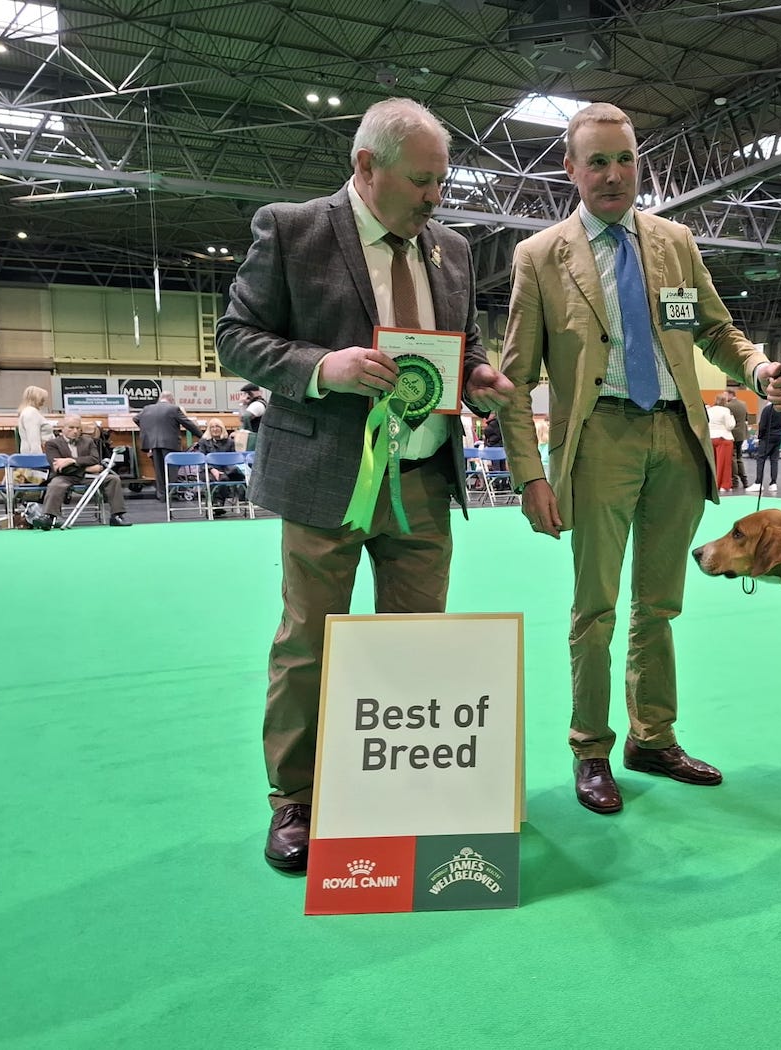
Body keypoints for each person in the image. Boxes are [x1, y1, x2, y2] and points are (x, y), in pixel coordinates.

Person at [215, 97, 513, 873]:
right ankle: (296, 801)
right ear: (365, 167)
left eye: (442, 182)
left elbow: (464, 341)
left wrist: (478, 377)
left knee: (415, 649)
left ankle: (397, 789)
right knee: (309, 644)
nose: (434, 198)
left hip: (422, 479)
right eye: (421, 182)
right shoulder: (292, 228)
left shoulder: (450, 247)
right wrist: (323, 367)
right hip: (326, 479)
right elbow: (236, 338)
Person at [495, 101, 781, 816]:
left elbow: (714, 329)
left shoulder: (675, 242)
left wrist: (756, 370)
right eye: (596, 161)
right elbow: (514, 375)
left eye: (624, 159)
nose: (612, 174)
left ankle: (652, 737)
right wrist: (531, 474)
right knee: (594, 607)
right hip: (598, 440)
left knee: (659, 603)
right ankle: (590, 747)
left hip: (677, 438)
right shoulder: (539, 257)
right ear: (569, 170)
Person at [34, 415, 130, 529]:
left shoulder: (88, 441)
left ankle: (117, 516)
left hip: (87, 477)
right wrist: (86, 468)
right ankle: (49, 517)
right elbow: (60, 468)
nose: (75, 431)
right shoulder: (52, 444)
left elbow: (95, 459)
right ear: (63, 428)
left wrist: (71, 460)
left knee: (113, 479)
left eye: (78, 428)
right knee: (55, 484)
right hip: (64, 476)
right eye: (71, 427)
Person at [133, 392, 202, 501]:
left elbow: (136, 419)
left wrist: (148, 431)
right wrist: (202, 436)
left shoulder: (147, 408)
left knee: (159, 471)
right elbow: (188, 424)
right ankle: (170, 494)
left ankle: (162, 496)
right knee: (171, 470)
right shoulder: (173, 409)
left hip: (153, 444)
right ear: (171, 399)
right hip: (170, 443)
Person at [195, 419, 243, 515]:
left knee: (224, 478)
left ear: (222, 429)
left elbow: (233, 459)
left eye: (217, 426)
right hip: (207, 469)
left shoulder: (230, 442)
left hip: (225, 470)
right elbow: (202, 459)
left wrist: (225, 471)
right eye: (212, 427)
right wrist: (212, 469)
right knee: (214, 479)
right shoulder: (203, 442)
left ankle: (218, 504)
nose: (215, 429)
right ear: (209, 429)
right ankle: (215, 504)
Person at [747, 399, 781, 494]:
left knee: (761, 459)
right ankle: (773, 483)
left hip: (767, 437)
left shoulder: (767, 409)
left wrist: (759, 437)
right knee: (774, 460)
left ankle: (758, 482)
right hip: (778, 435)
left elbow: (763, 425)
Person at [706, 392, 735, 494]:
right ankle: (724, 485)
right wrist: (732, 417)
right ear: (725, 401)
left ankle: (712, 485)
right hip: (724, 438)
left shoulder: (709, 410)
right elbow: (730, 426)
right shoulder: (726, 410)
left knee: (713, 463)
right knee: (724, 464)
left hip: (710, 438)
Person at [725, 389, 749, 490]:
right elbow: (746, 418)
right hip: (742, 434)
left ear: (731, 395)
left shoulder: (728, 406)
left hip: (732, 434)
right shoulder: (743, 404)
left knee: (733, 459)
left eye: (725, 395)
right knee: (739, 457)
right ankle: (745, 480)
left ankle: (735, 481)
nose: (725, 397)